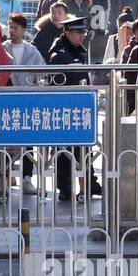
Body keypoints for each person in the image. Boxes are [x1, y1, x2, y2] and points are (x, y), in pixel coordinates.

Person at [46, 16, 100, 201]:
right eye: (77, 33)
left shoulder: (80, 51)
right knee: (64, 149)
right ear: (67, 33)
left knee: (84, 147)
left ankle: (89, 185)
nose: (81, 36)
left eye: (83, 32)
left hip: (80, 106)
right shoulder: (59, 53)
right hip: (63, 107)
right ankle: (66, 188)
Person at [5, 13, 46, 195]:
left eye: (15, 28)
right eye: (10, 27)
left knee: (28, 141)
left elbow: (42, 75)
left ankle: (27, 177)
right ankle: (3, 177)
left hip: (27, 102)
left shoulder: (33, 51)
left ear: (24, 30)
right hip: (6, 103)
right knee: (4, 140)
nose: (12, 31)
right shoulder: (1, 49)